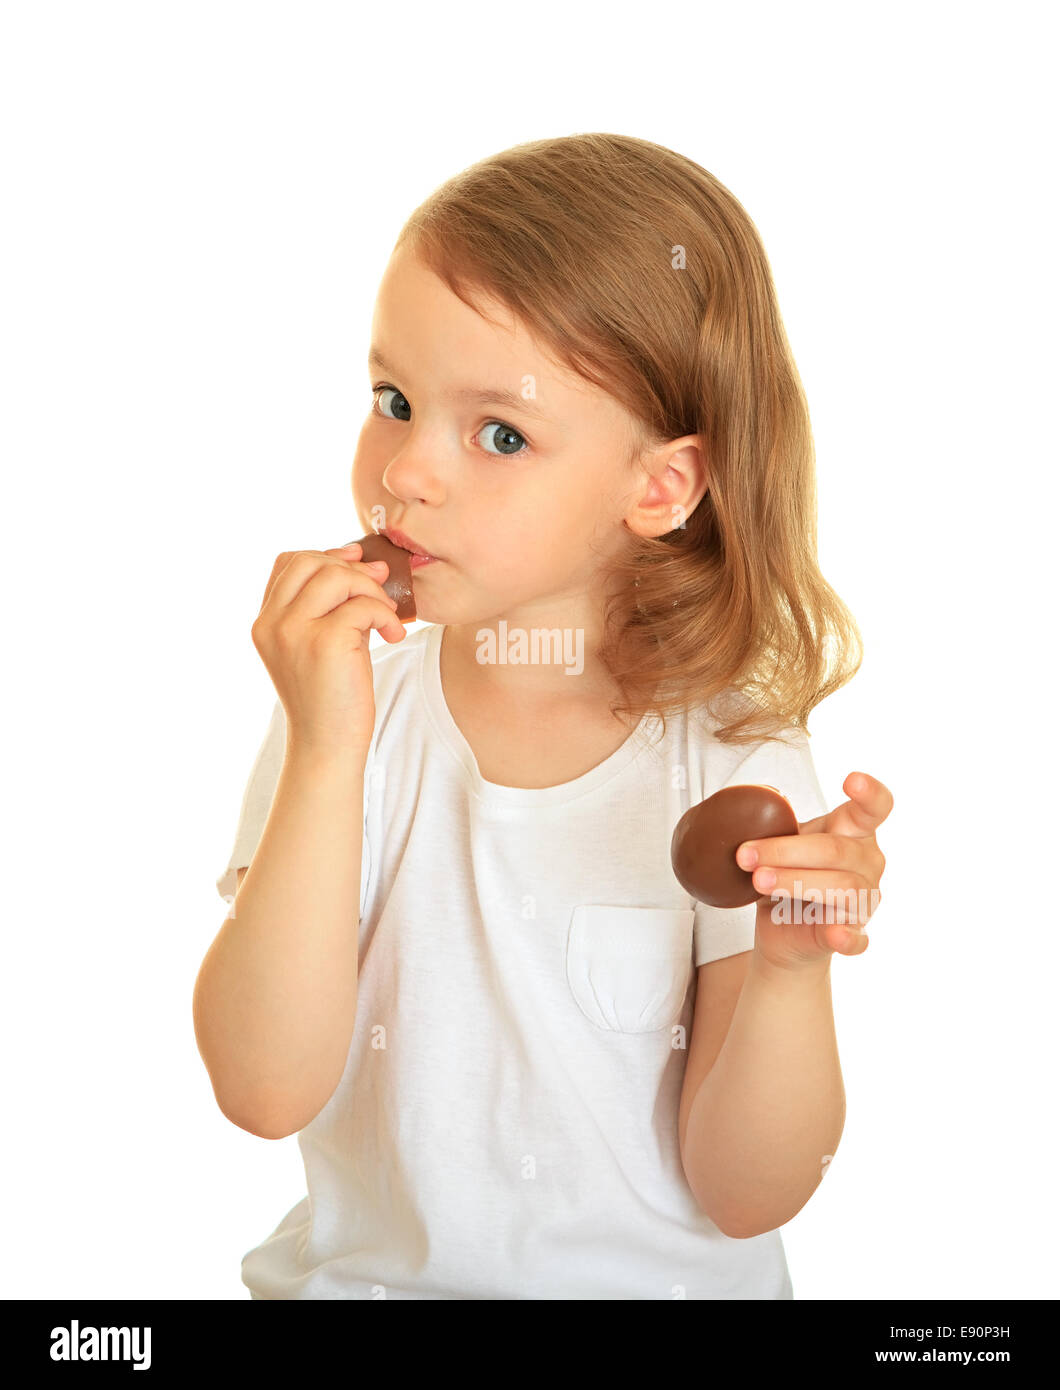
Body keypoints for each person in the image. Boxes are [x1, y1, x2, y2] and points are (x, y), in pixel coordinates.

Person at [194, 132, 891, 1300]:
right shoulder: (353, 711)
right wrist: (323, 750)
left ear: (658, 487)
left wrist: (784, 972)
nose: (405, 471)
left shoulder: (730, 756)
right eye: (394, 399)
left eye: (499, 433)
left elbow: (749, 1190)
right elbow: (262, 1091)